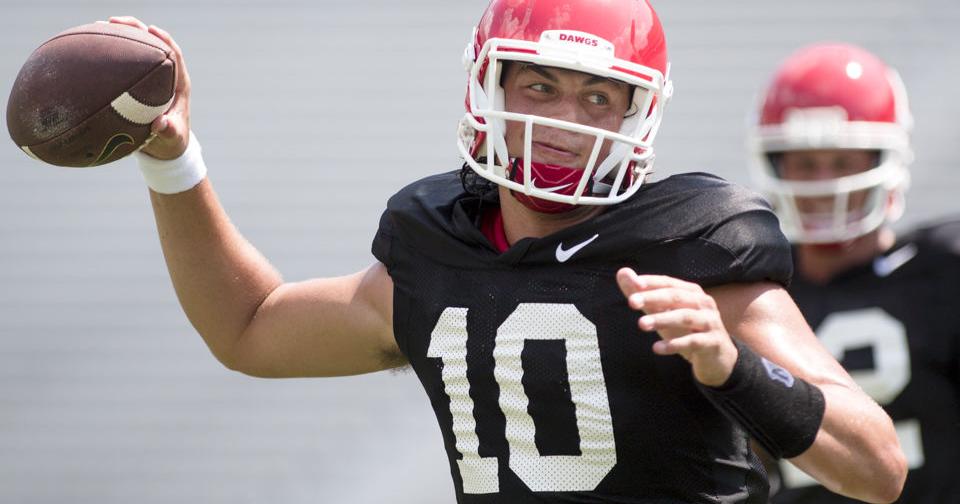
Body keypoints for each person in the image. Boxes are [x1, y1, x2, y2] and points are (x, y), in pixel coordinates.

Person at [107, 1, 906, 502]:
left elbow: (876, 467)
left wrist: (730, 364)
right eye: (540, 86)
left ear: (640, 114)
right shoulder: (439, 247)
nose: (565, 118)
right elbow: (249, 328)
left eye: (599, 95)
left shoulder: (690, 245)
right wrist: (172, 162)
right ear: (488, 88)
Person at [749, 43, 960, 503]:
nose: (826, 183)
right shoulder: (756, 287)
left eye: (843, 162)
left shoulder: (944, 271)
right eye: (805, 164)